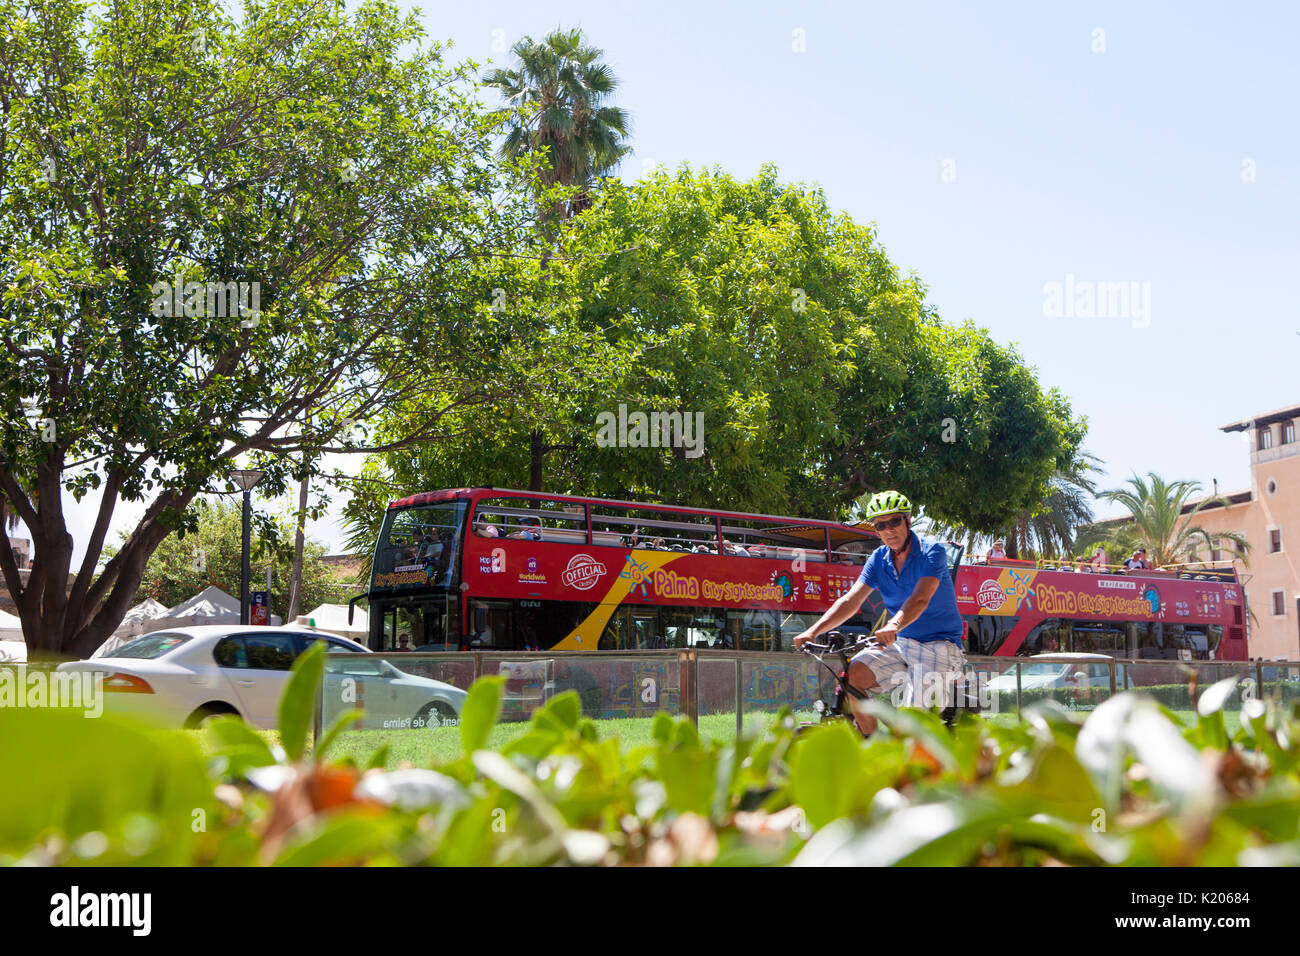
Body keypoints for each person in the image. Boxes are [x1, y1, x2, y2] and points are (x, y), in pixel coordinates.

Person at [793, 490, 967, 736]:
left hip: (939, 645)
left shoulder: (932, 552)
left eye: (894, 521)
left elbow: (920, 599)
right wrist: (812, 631)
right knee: (852, 678)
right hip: (902, 642)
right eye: (880, 525)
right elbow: (850, 601)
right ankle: (874, 747)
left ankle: (906, 756)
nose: (888, 530)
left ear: (907, 521)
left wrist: (894, 625)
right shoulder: (878, 559)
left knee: (911, 724)